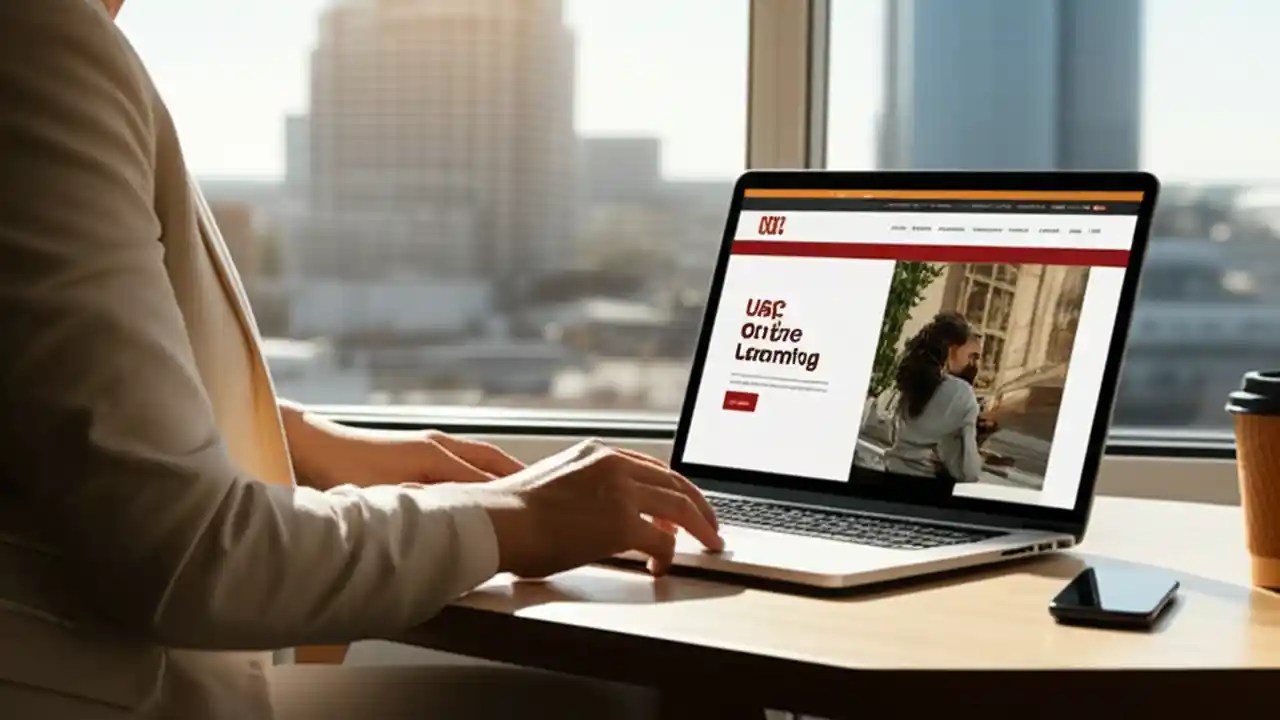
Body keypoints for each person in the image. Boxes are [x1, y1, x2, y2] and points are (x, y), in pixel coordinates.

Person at [0, 1, 722, 718]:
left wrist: (303, 443)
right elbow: (189, 561)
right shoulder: (39, 39)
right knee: (605, 709)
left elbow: (53, 384)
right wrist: (519, 518)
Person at [883, 312, 985, 484]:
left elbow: (891, 433)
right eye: (971, 356)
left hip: (889, 477)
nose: (973, 364)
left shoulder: (910, 383)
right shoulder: (961, 393)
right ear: (952, 350)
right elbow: (969, 472)